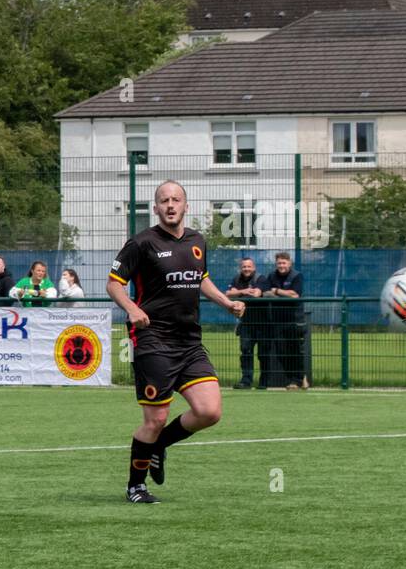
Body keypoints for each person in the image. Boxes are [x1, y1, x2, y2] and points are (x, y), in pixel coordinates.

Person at [106, 180, 245, 503]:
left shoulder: (198, 241)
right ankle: (135, 487)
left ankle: (158, 446)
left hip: (189, 342)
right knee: (154, 419)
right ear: (155, 208)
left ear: (186, 205)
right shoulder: (141, 243)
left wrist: (226, 302)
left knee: (210, 411)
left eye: (176, 199)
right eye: (164, 200)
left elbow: (201, 278)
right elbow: (114, 284)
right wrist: (132, 308)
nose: (170, 205)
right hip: (153, 340)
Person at [265, 251, 307, 390]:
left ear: (289, 263)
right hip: (277, 320)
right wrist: (285, 294)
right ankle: (298, 378)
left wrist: (277, 291)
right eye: (279, 263)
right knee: (281, 351)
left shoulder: (297, 276)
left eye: (284, 263)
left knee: (294, 350)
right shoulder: (271, 275)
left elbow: (295, 295)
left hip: (294, 319)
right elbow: (266, 293)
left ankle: (296, 380)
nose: (281, 265)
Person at [225, 257, 265, 389]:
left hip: (262, 322)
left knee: (263, 353)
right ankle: (246, 381)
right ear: (240, 268)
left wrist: (238, 294)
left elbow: (257, 294)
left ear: (254, 267)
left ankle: (264, 382)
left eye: (249, 266)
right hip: (245, 323)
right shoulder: (237, 279)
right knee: (246, 351)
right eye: (244, 267)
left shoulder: (260, 278)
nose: (246, 269)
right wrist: (243, 291)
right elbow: (228, 294)